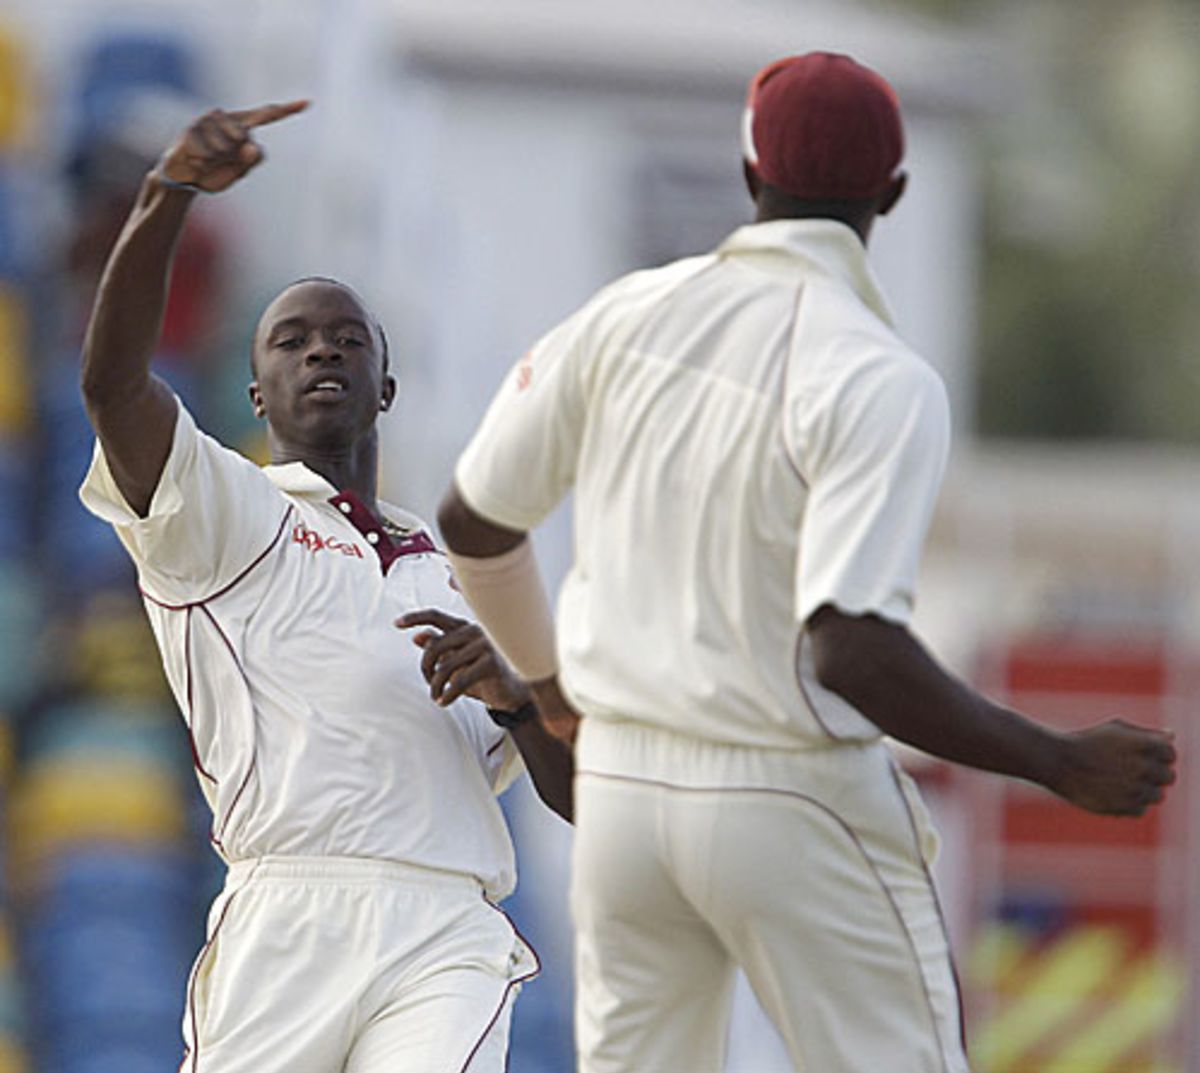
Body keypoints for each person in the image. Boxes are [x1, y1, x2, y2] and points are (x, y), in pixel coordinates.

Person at [432, 53, 1178, 1073]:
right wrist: (1053, 759)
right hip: (788, 790)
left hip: (625, 800)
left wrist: (556, 693)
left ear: (751, 176)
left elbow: (474, 520)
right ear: (894, 193)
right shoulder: (879, 375)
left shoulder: (621, 317)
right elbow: (850, 650)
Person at [77, 100, 574, 1073]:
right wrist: (168, 191)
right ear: (255, 390)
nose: (322, 352)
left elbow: (580, 795)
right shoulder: (222, 506)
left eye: (349, 340)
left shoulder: (465, 568)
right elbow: (111, 384)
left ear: (387, 384)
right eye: (293, 340)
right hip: (287, 914)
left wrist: (517, 703)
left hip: (448, 925)